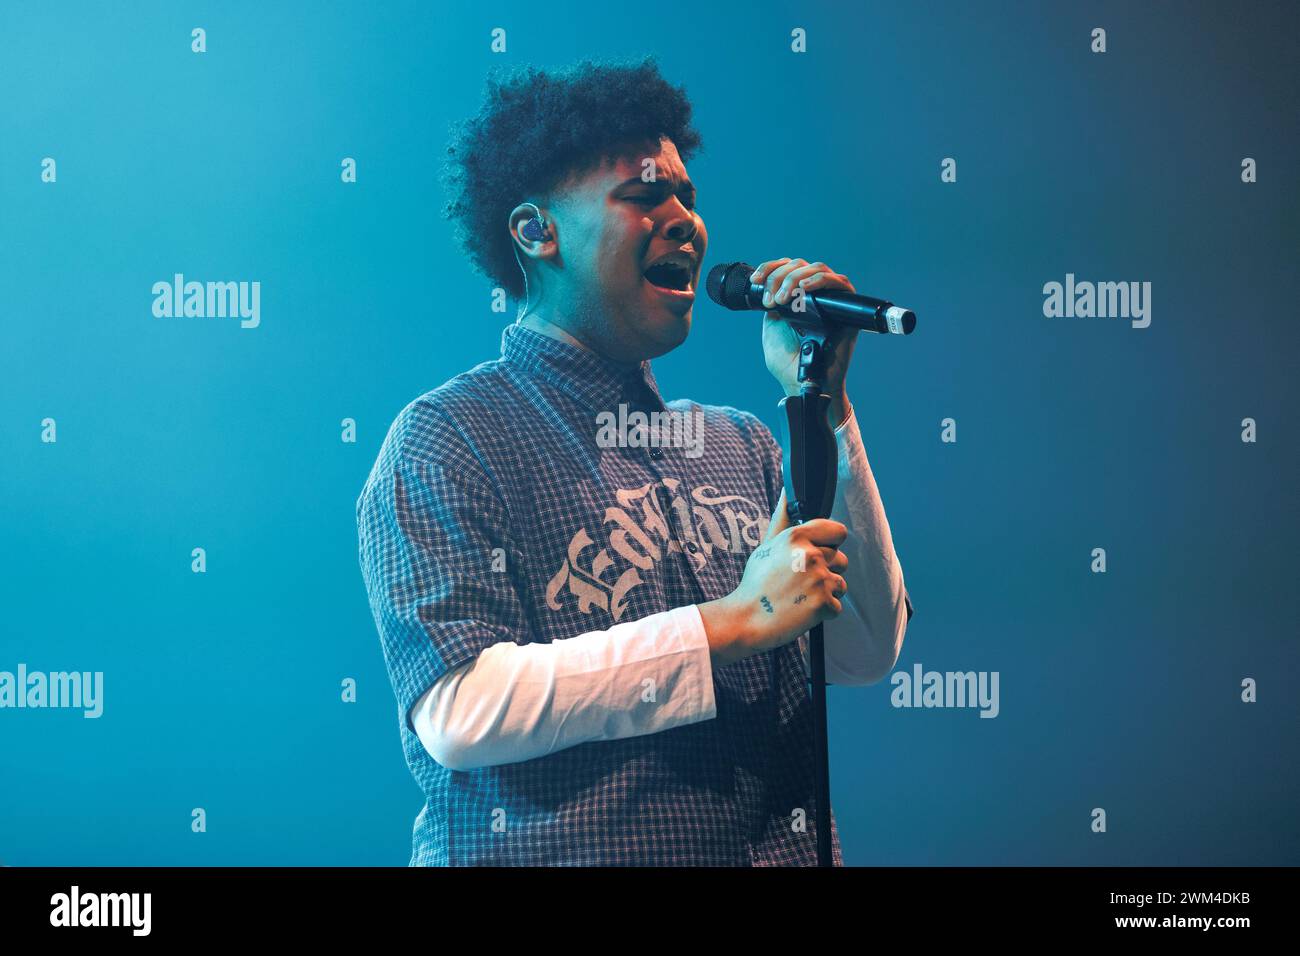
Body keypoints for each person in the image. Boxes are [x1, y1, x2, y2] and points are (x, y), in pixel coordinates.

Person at [356, 57, 913, 866]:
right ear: (536, 231)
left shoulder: (743, 444)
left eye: (688, 196)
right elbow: (460, 710)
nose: (686, 219)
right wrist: (728, 624)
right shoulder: (450, 437)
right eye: (645, 196)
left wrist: (822, 404)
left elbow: (865, 649)